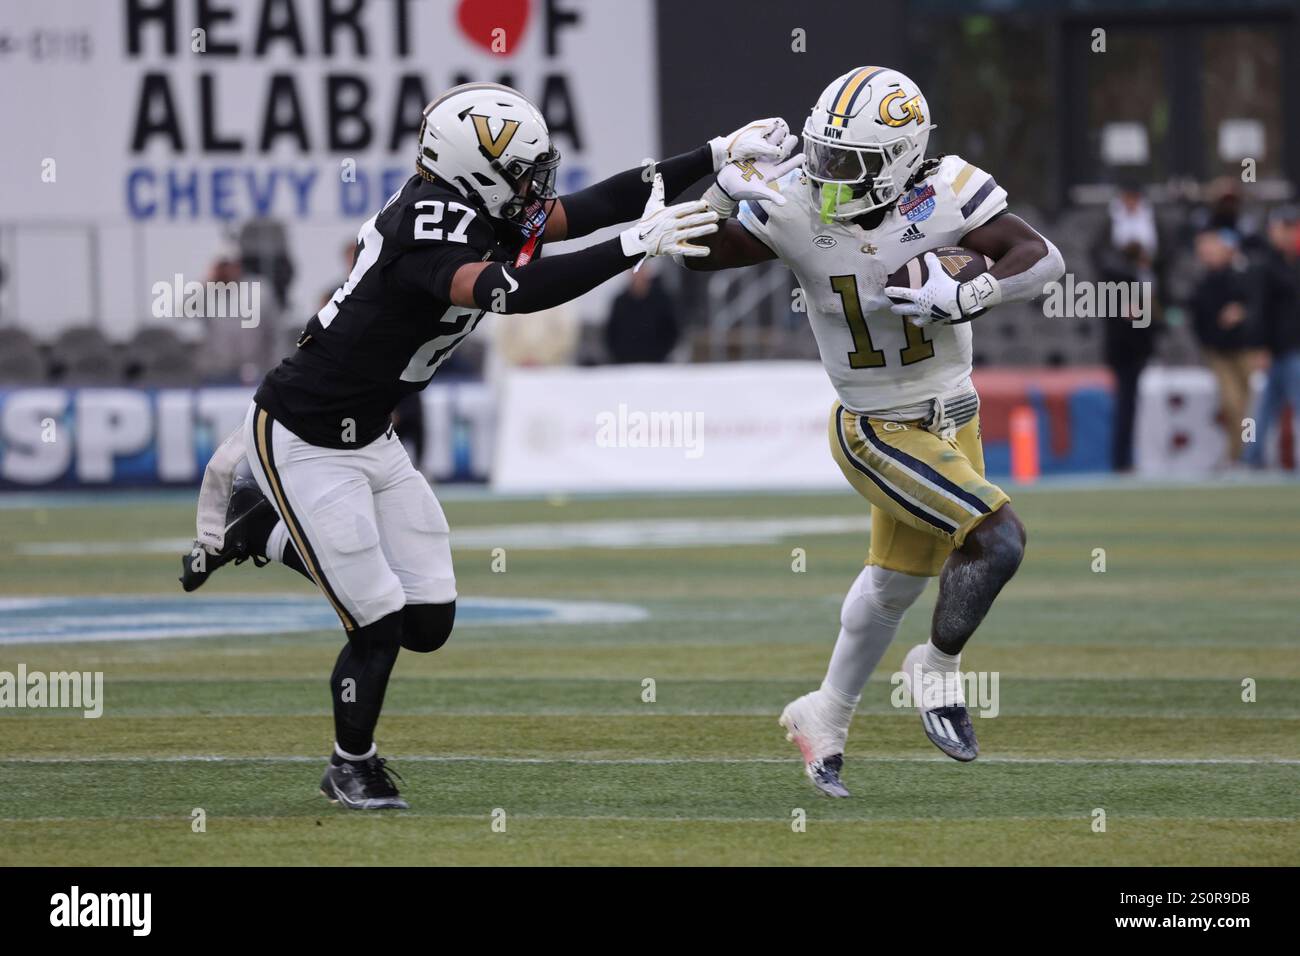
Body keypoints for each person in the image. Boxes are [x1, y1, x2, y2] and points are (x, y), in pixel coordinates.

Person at [177, 82, 788, 810]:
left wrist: (714, 154)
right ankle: (350, 765)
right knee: (376, 619)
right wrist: (632, 248)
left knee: (427, 622)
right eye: (523, 171)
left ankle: (259, 531)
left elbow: (593, 207)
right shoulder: (429, 219)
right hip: (302, 433)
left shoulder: (485, 205)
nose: (536, 186)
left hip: (371, 433)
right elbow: (508, 291)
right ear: (474, 168)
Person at [684, 66, 1064, 796]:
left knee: (893, 585)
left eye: (848, 162)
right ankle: (939, 669)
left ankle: (822, 713)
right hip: (876, 426)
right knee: (998, 539)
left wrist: (976, 288)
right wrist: (718, 191)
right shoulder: (793, 201)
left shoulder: (944, 188)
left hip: (956, 414)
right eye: (824, 152)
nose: (826, 173)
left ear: (899, 158)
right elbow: (698, 251)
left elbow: (1043, 257)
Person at [1090, 183, 1162, 471]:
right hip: (1127, 340)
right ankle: (1123, 460)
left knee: (1130, 399)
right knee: (1127, 398)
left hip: (1137, 337)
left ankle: (1126, 459)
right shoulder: (1122, 274)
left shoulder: (1137, 274)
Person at [1188, 229, 1253, 464]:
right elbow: (1197, 317)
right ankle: (1239, 454)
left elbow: (1256, 303)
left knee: (1248, 409)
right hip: (1219, 351)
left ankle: (1247, 452)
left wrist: (1242, 312)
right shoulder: (1203, 281)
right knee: (1234, 404)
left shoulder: (1241, 274)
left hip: (1244, 349)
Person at [1244, 206, 1300, 469]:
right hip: (1278, 349)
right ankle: (1252, 458)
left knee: (1269, 407)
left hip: (1292, 348)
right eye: (1283, 228)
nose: (1288, 234)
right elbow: (1260, 309)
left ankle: (1253, 457)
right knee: (1264, 409)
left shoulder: (1293, 264)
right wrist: (1260, 346)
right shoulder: (1266, 266)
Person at [604, 263, 681, 363]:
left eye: (641, 271)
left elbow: (672, 330)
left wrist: (662, 353)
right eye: (635, 272)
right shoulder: (620, 302)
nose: (638, 275)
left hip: (657, 365)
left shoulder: (662, 300)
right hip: (626, 365)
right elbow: (611, 332)